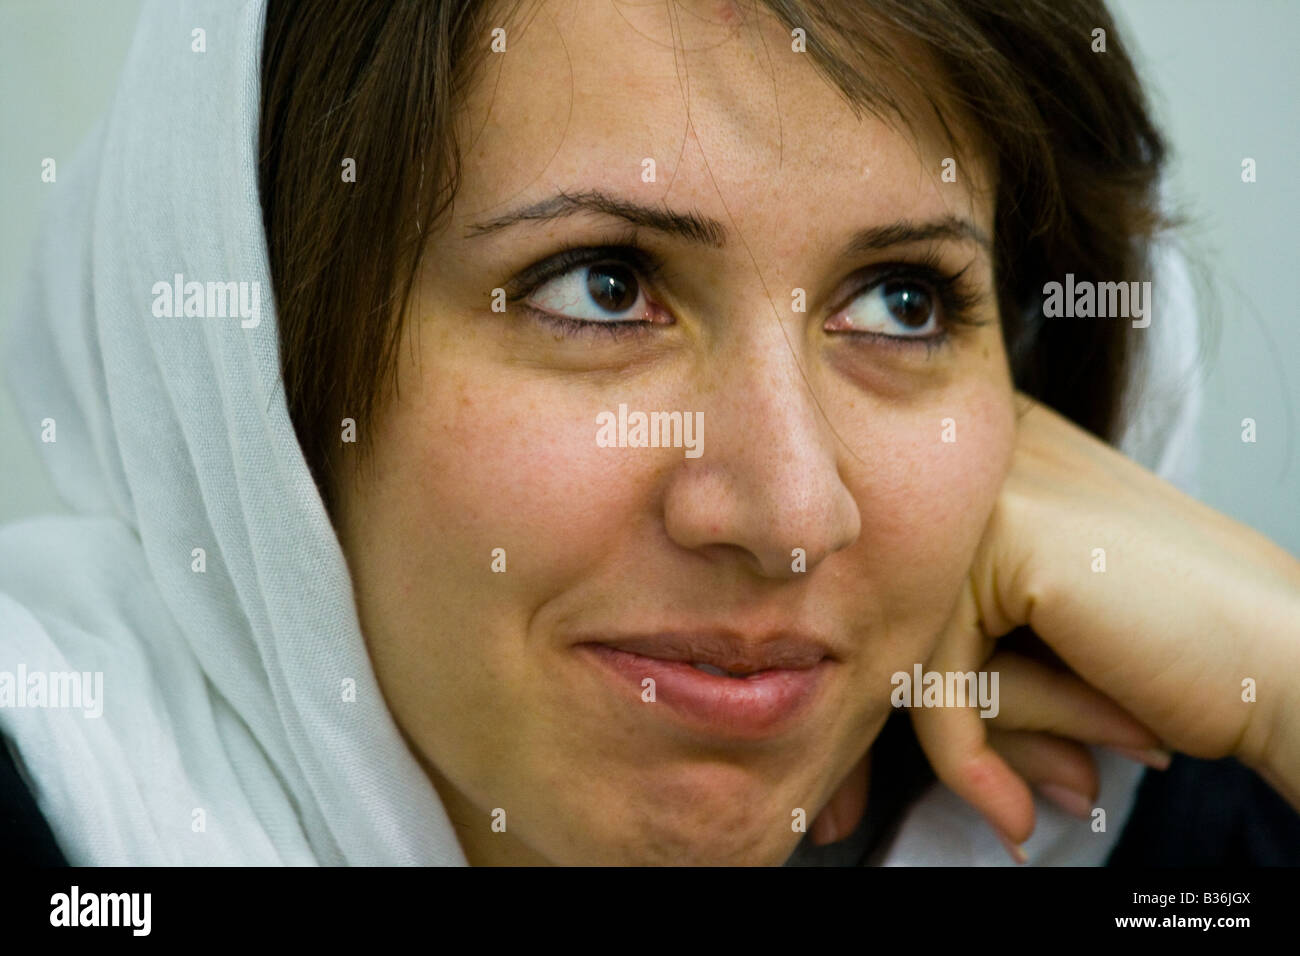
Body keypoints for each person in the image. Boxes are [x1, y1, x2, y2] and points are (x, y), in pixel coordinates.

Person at [1, 0, 1297, 866]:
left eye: (903, 302)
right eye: (604, 286)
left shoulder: (1157, 818)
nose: (789, 513)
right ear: (256, 376)